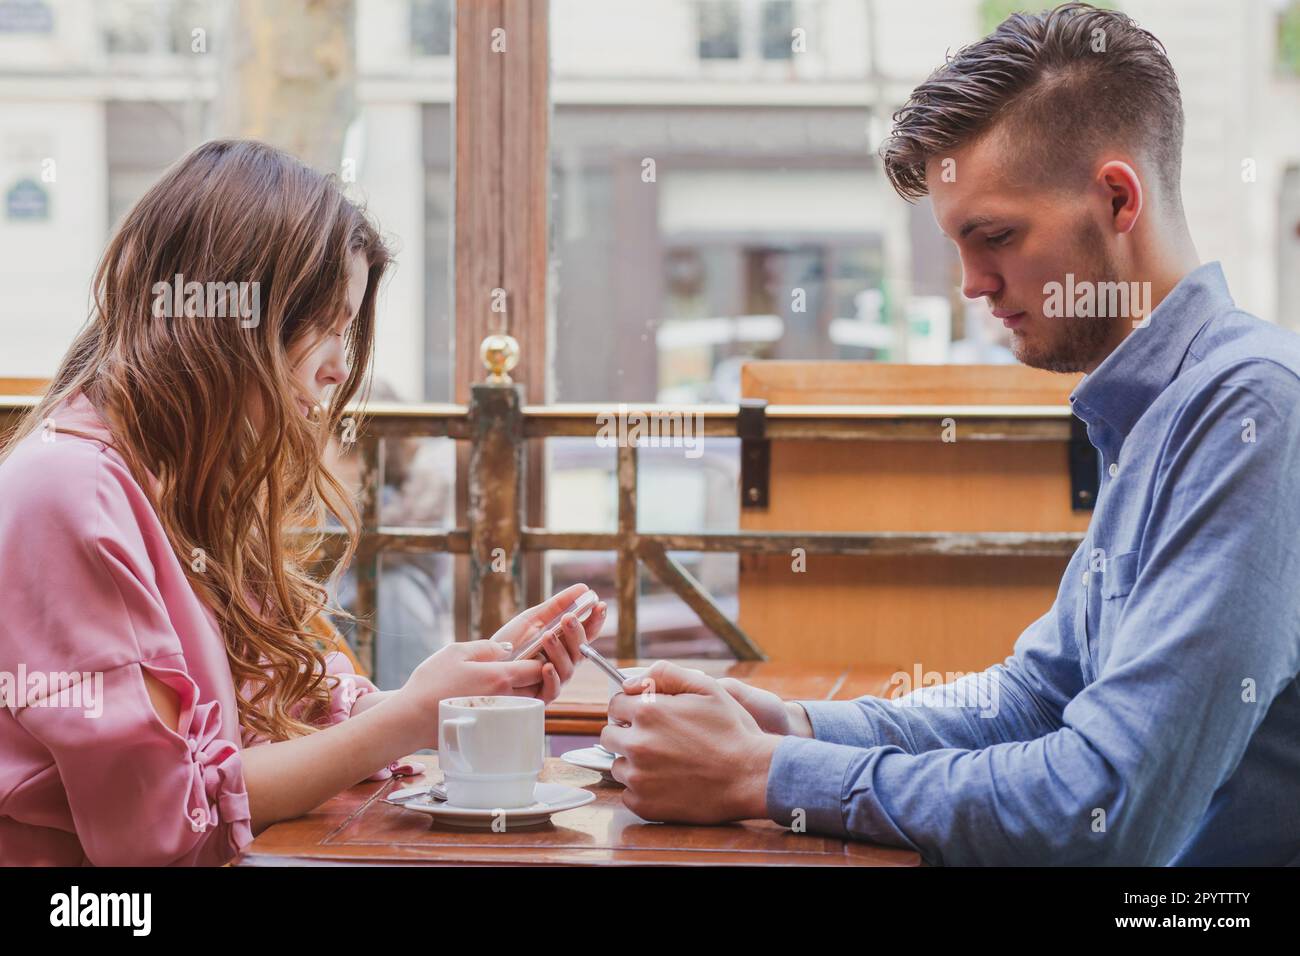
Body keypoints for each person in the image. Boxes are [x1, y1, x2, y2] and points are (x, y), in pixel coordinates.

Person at [601, 2, 1300, 866]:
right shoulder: (1160, 406)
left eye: (995, 236)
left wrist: (767, 776)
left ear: (1118, 198)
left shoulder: (1249, 411)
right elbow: (1036, 700)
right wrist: (791, 723)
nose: (972, 284)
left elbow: (1104, 807)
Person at [0, 139, 607, 866]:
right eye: (326, 322)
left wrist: (456, 698)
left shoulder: (180, 479)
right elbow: (164, 823)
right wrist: (406, 719)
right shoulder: (72, 492)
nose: (339, 367)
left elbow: (272, 722)